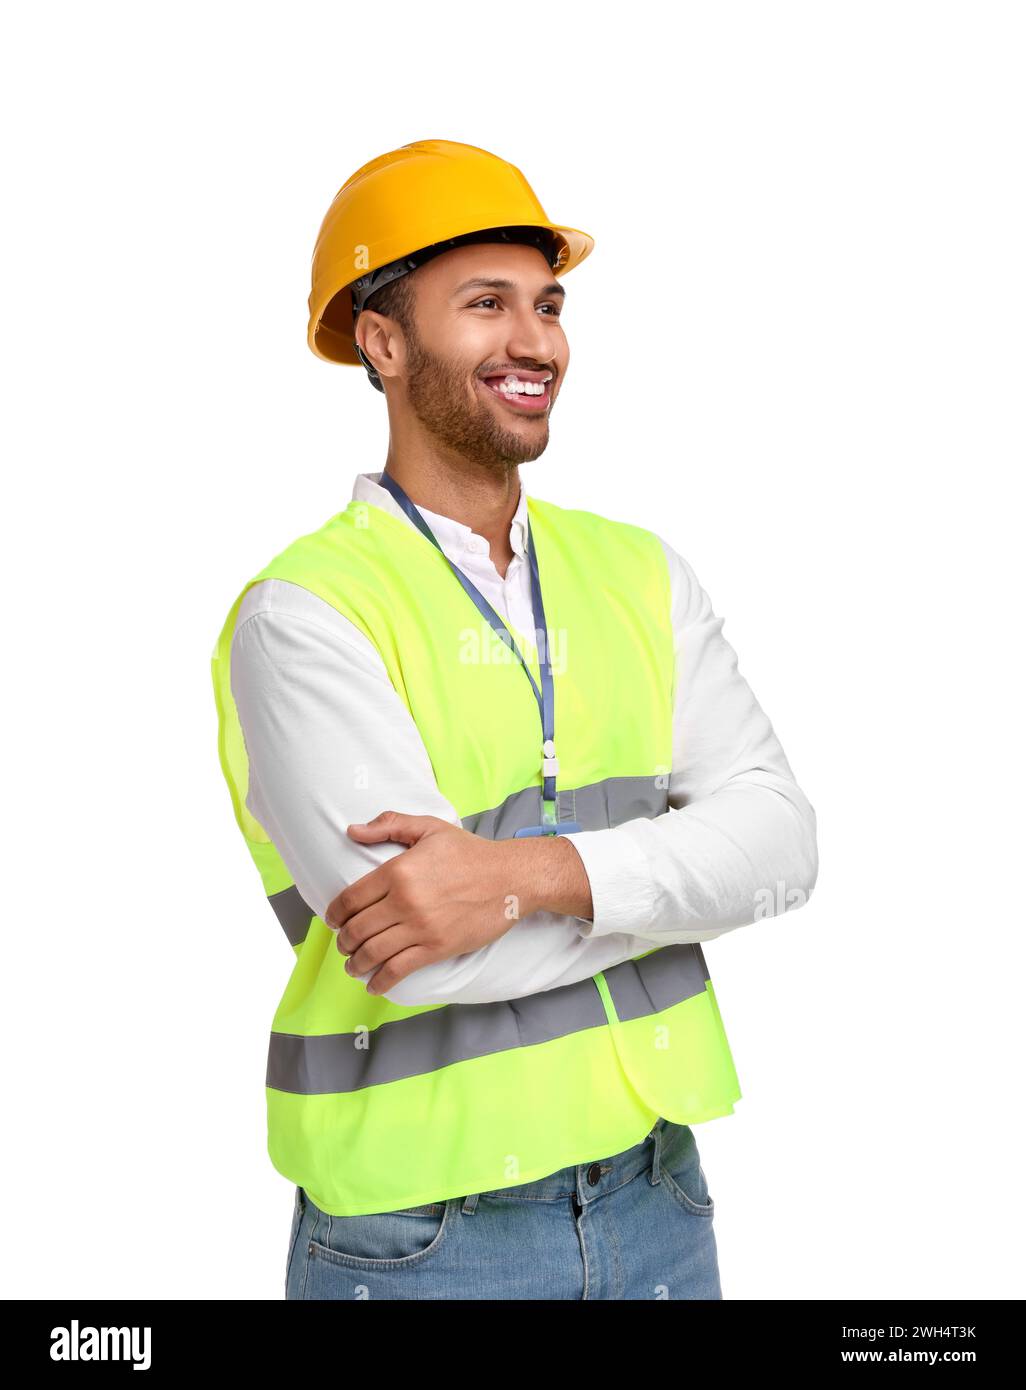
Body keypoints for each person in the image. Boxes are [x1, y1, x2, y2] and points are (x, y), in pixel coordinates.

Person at [209, 139, 819, 1300]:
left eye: (547, 305)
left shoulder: (638, 572)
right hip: (426, 1234)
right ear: (382, 343)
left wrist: (521, 878)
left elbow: (785, 846)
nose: (534, 341)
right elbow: (422, 960)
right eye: (485, 305)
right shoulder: (305, 615)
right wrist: (692, 880)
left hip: (659, 1195)